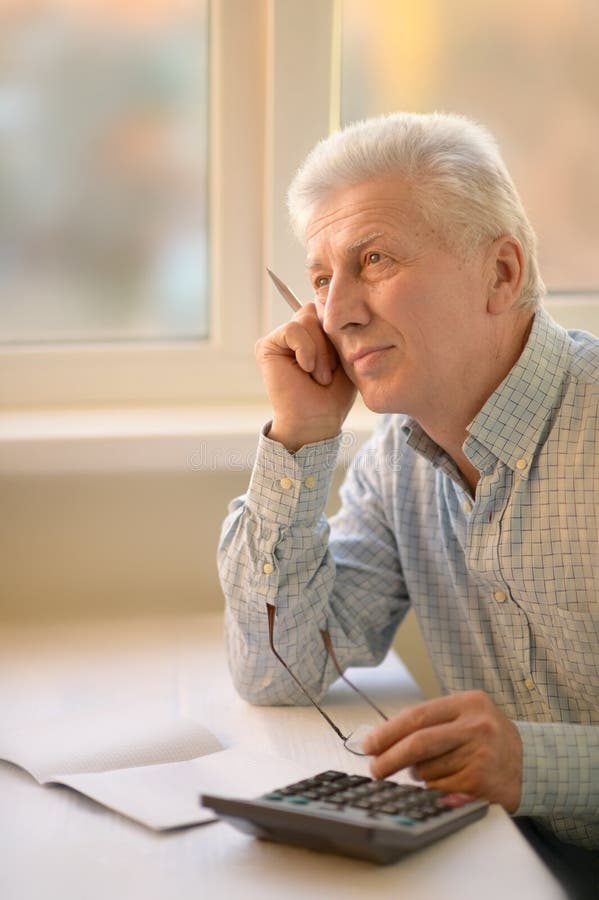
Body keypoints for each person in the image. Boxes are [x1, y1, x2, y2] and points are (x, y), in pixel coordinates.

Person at [218, 112, 599, 896]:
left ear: (500, 272)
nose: (336, 313)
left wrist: (538, 764)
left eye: (375, 260)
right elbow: (277, 666)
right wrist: (299, 435)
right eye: (321, 278)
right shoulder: (396, 460)